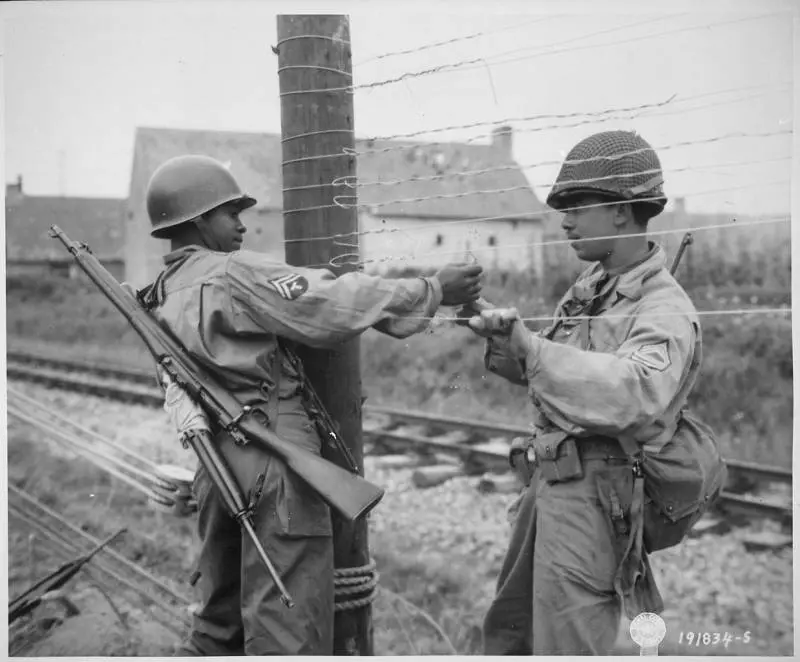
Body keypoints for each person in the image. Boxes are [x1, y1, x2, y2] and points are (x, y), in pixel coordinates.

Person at [141, 154, 483, 656]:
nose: (241, 224)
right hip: (274, 461)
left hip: (215, 465)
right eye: (228, 212)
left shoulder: (156, 295)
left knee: (219, 622)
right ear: (196, 219)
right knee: (288, 626)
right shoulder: (233, 273)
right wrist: (431, 289)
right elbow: (330, 302)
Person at [466, 130, 703, 655]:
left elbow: (635, 394)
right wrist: (506, 343)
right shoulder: (590, 290)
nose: (564, 219)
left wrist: (532, 350)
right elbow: (549, 379)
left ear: (622, 211)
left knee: (567, 645)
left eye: (577, 205)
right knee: (513, 633)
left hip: (598, 497)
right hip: (550, 488)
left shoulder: (663, 307)